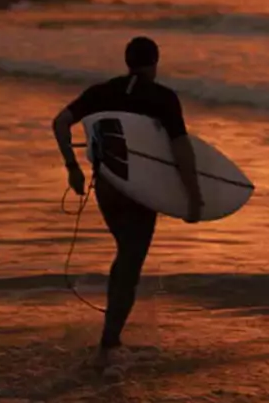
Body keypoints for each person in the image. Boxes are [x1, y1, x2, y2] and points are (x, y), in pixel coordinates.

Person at [51, 36, 204, 367]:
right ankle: (110, 341)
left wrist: (72, 168)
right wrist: (193, 198)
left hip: (109, 183)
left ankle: (112, 331)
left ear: (127, 61)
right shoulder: (162, 98)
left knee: (126, 249)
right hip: (142, 188)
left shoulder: (101, 92)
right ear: (155, 62)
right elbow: (180, 149)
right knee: (131, 258)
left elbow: (60, 122)